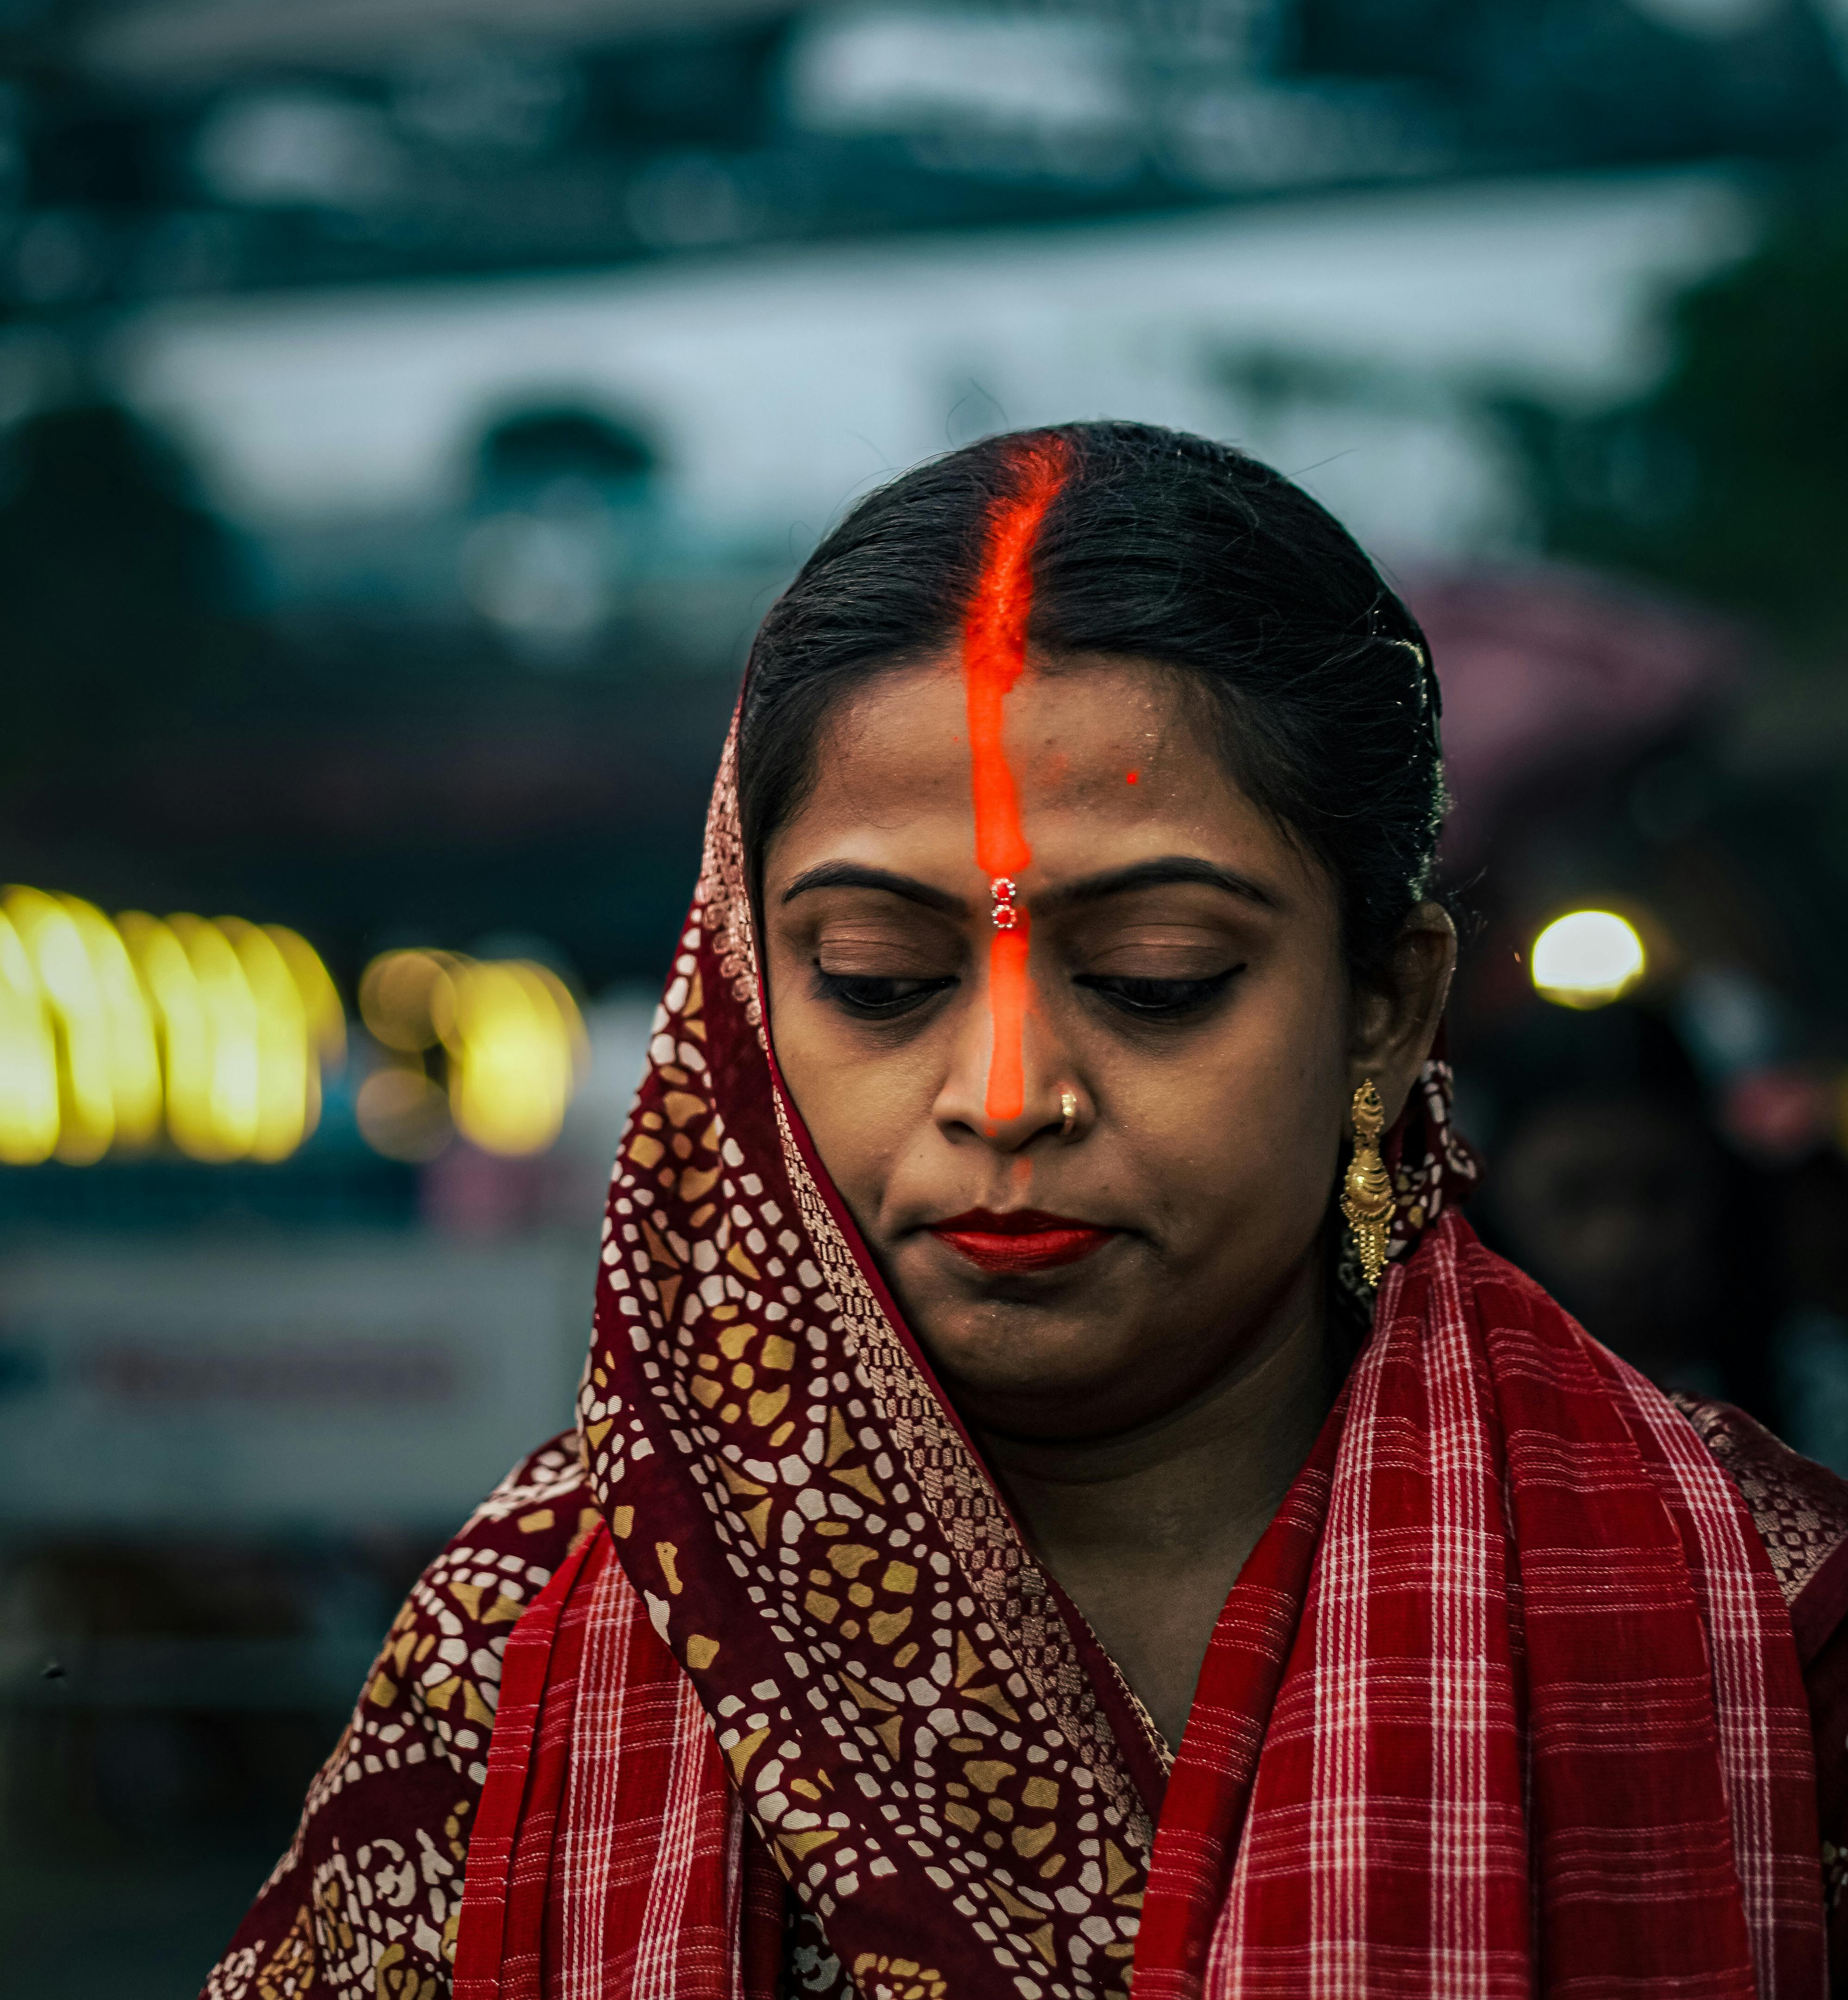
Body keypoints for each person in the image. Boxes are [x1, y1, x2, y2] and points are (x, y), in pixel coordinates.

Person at [206, 424, 1848, 2000]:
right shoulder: (527, 1641)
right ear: (743, 999)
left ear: (1386, 1006)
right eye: (878, 981)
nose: (1004, 1092)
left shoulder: (1766, 1634)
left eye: (1157, 978)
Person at [1464, 1000, 1787, 1427]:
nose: (1621, 1238)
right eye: (1573, 1196)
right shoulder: (1446, 1401)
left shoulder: (1812, 1383)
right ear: (1494, 1191)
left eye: (1662, 1191)